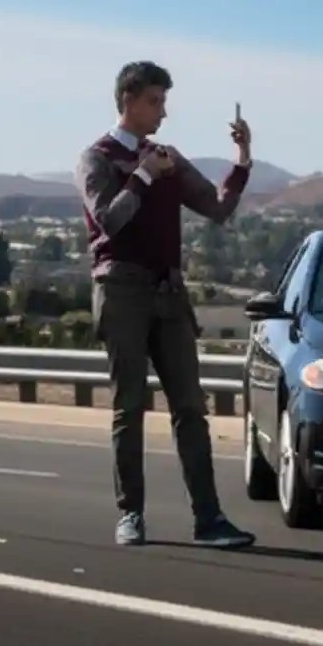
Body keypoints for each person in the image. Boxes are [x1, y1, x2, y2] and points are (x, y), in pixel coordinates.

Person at [74, 60, 255, 548]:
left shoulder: (166, 157)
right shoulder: (98, 158)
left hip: (170, 295)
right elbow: (109, 222)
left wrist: (241, 161)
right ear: (129, 101)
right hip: (122, 291)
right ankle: (130, 514)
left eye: (164, 102)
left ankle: (210, 520)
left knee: (190, 410)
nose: (163, 113)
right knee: (129, 406)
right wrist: (143, 177)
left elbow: (217, 208)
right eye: (155, 101)